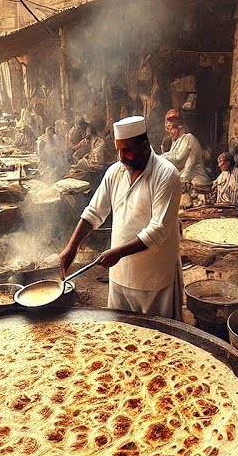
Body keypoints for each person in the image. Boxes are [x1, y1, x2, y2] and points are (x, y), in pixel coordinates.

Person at [58, 116, 183, 319]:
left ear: (145, 145)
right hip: (120, 276)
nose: (121, 157)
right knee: (120, 339)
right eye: (118, 150)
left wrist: (117, 253)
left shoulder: (166, 175)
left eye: (127, 150)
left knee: (159, 343)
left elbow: (157, 230)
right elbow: (94, 211)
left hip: (154, 278)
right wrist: (72, 246)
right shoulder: (115, 172)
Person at [163, 110, 209, 189]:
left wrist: (160, 157)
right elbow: (171, 155)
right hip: (185, 180)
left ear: (180, 128)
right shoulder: (176, 141)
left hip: (196, 182)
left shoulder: (188, 138)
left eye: (171, 128)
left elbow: (178, 159)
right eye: (168, 128)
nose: (170, 132)